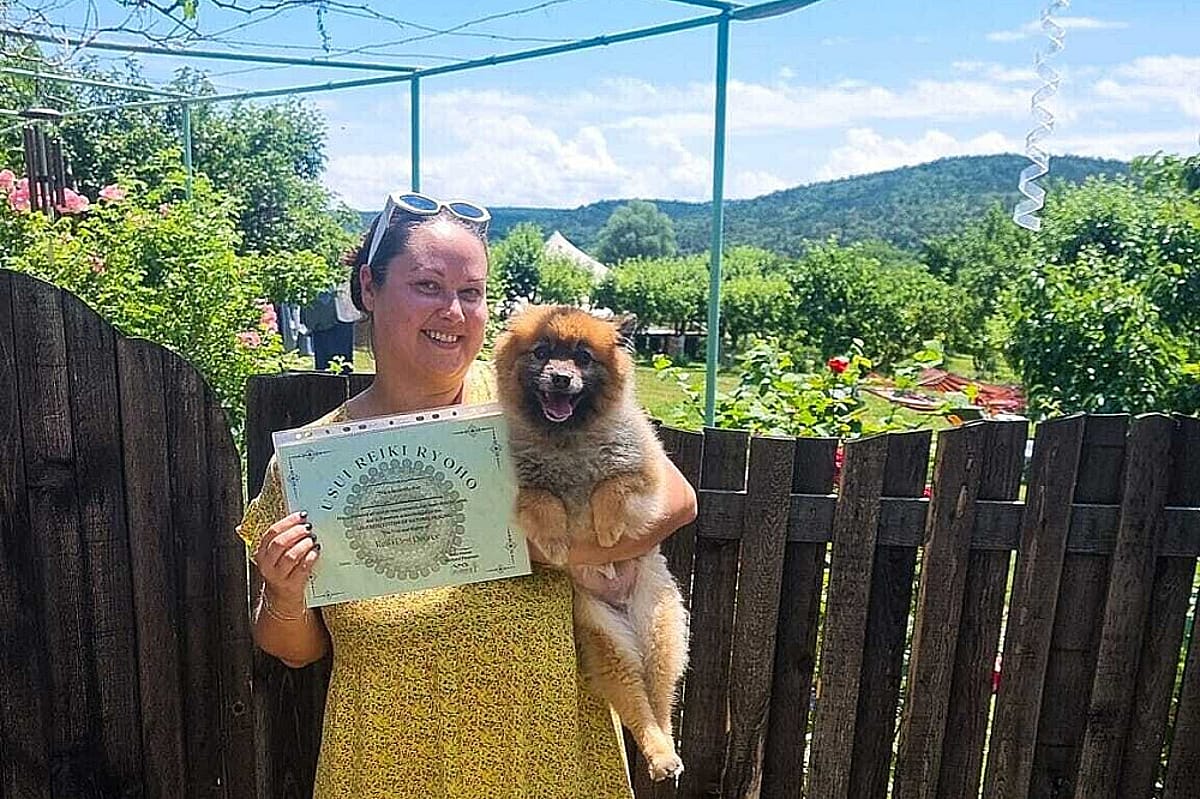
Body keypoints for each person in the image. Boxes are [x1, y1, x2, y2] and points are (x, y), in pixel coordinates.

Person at [235, 191, 698, 799]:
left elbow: (676, 501)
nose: (453, 310)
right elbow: (291, 650)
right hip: (389, 765)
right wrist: (286, 589)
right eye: (428, 285)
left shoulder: (534, 399)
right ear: (369, 288)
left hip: (550, 758)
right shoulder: (310, 464)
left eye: (472, 292)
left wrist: (544, 549)